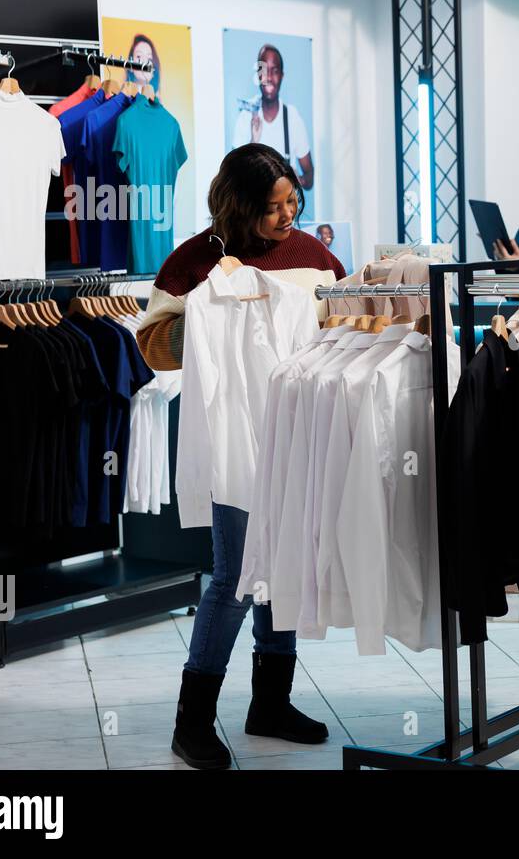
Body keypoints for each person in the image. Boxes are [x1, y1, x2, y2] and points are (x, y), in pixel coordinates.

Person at [136, 143, 346, 769]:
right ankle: (191, 721)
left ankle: (270, 704)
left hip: (296, 433)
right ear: (238, 206)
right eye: (273, 207)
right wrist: (214, 322)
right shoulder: (195, 262)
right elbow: (155, 347)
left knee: (284, 565)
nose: (287, 217)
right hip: (235, 432)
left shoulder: (314, 258)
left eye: (292, 202)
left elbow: (342, 327)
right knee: (232, 580)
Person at [231, 44, 314, 191]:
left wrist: (297, 180)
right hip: (254, 213)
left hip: (285, 214)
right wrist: (253, 142)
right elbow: (232, 178)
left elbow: (309, 177)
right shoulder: (245, 117)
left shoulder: (292, 118)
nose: (268, 77)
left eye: (274, 71)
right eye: (264, 70)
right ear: (258, 75)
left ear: (281, 75)